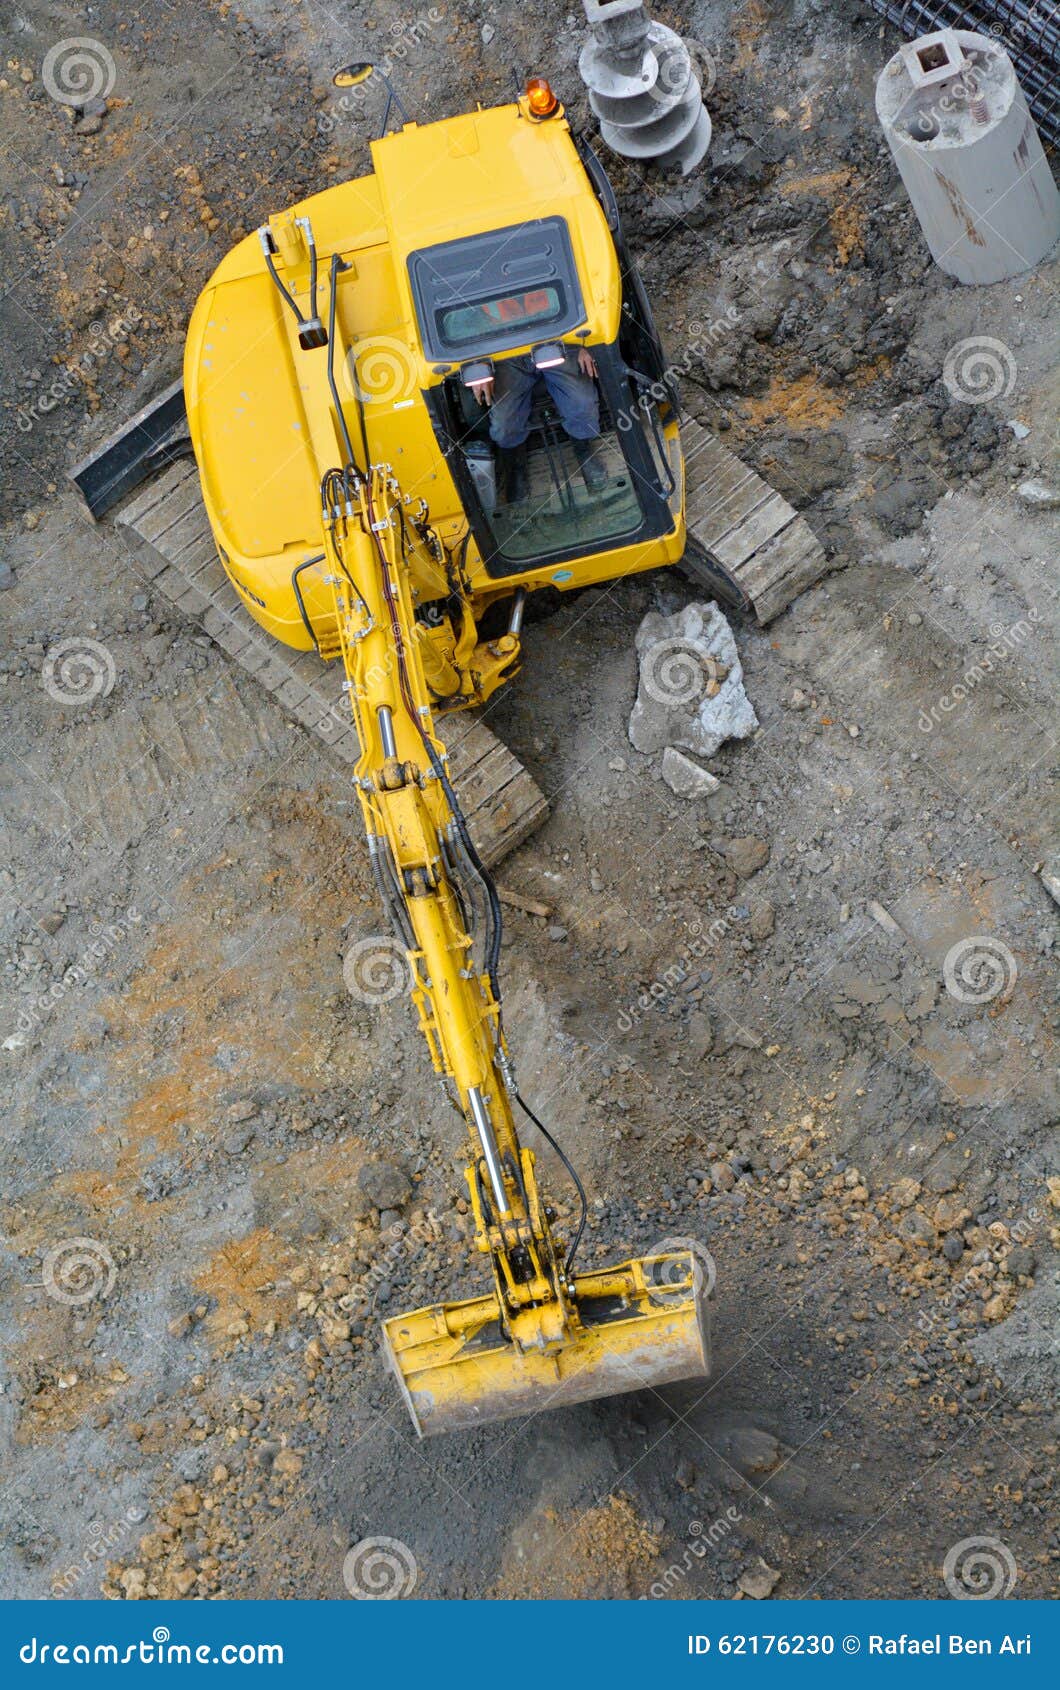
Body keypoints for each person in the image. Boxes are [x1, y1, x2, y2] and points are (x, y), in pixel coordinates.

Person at [476, 345, 607, 502]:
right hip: (503, 355)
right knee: (504, 422)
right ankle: (515, 464)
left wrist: (584, 344)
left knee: (582, 403)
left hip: (554, 341)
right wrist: (476, 362)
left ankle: (583, 449)